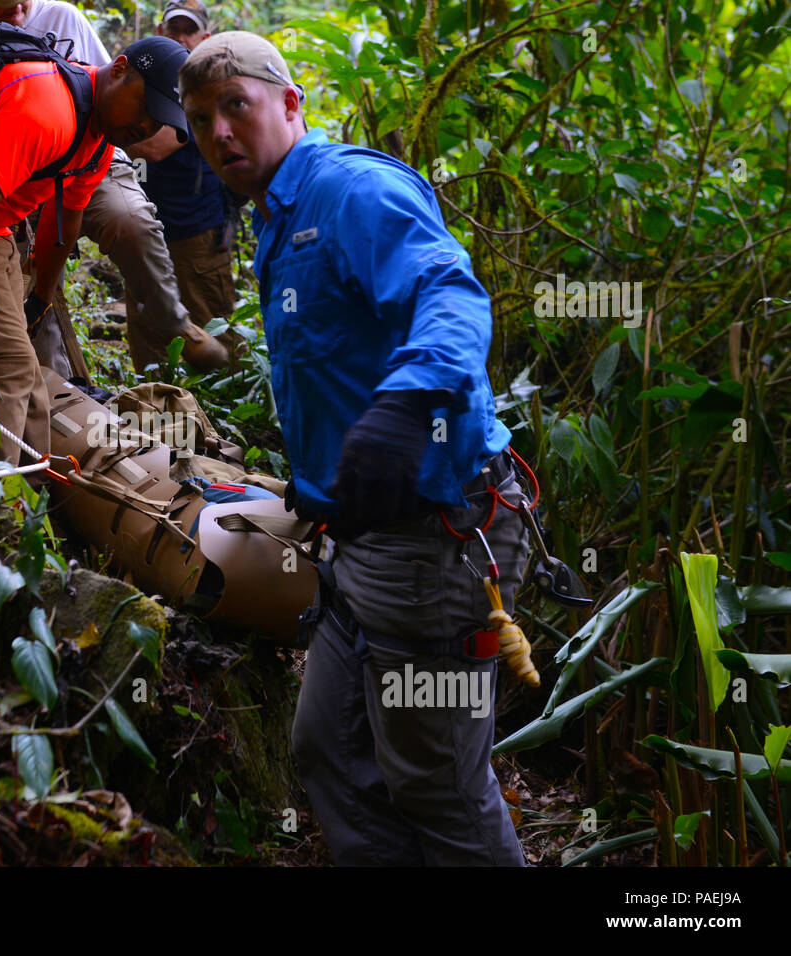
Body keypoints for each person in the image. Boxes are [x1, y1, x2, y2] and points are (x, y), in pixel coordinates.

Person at [179, 32, 530, 866]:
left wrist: (408, 404)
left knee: (436, 781)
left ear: (290, 105)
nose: (219, 132)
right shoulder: (276, 216)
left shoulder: (350, 191)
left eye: (237, 107)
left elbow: (448, 292)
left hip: (437, 539)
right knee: (330, 753)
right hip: (358, 546)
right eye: (200, 119)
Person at [0, 37, 191, 467]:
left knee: (27, 376)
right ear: (119, 70)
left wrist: (40, 299)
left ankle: (27, 493)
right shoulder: (49, 110)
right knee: (6, 366)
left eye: (159, 120)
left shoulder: (98, 139)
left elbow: (62, 224)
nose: (147, 127)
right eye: (145, 106)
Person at [0, 0, 229, 374]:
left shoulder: (62, 18)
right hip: (22, 160)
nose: (17, 4)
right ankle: (47, 378)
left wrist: (121, 135)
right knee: (21, 268)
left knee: (130, 221)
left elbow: (108, 92)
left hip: (93, 154)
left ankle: (175, 322)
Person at [128, 0, 238, 340]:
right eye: (173, 29)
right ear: (160, 31)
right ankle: (158, 394)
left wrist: (101, 132)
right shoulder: (148, 77)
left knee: (215, 333)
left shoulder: (206, 88)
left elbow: (154, 147)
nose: (181, 37)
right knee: (149, 336)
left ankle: (225, 395)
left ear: (204, 37)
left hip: (195, 233)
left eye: (189, 30)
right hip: (147, 230)